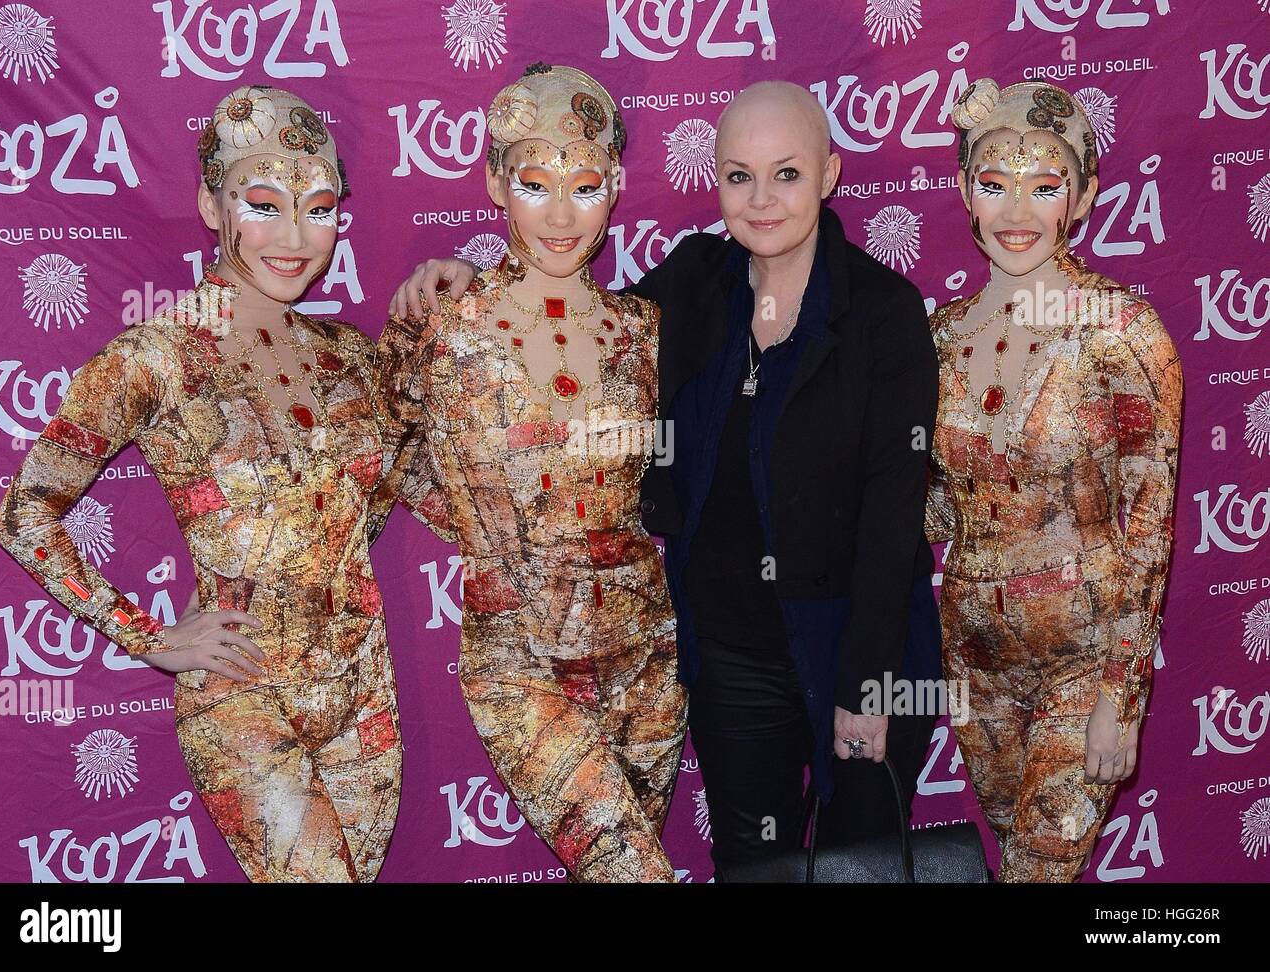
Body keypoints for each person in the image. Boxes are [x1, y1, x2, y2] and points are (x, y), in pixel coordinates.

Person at [397, 80, 943, 878]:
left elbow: (895, 521)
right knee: (754, 866)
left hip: (854, 646)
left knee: (857, 867)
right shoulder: (695, 280)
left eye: (787, 174)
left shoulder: (884, 312)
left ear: (829, 175)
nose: (761, 201)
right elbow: (578, 343)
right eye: (737, 176)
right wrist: (468, 276)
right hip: (728, 659)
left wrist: (866, 688)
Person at [0, 85, 403, 883]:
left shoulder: (351, 356)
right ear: (211, 205)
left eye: (318, 208)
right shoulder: (157, 356)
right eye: (263, 203)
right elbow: (24, 514)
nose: (294, 237)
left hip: (365, 693)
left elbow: (377, 499)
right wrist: (150, 638)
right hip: (240, 692)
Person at [376, 63, 686, 882]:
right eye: (535, 183)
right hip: (519, 661)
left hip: (648, 656)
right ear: (493, 181)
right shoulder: (440, 324)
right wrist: (489, 528)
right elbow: (382, 452)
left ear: (616, 185)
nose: (559, 216)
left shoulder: (646, 329)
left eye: (584, 187)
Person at [924, 78, 1183, 882]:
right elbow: (936, 509)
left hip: (1088, 657)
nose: (1016, 212)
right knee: (1018, 863)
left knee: (1040, 868)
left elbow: (1149, 524)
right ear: (966, 187)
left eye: (1044, 187)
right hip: (974, 660)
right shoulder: (939, 335)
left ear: (1084, 197)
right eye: (995, 184)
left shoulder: (1126, 335)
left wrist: (1121, 694)